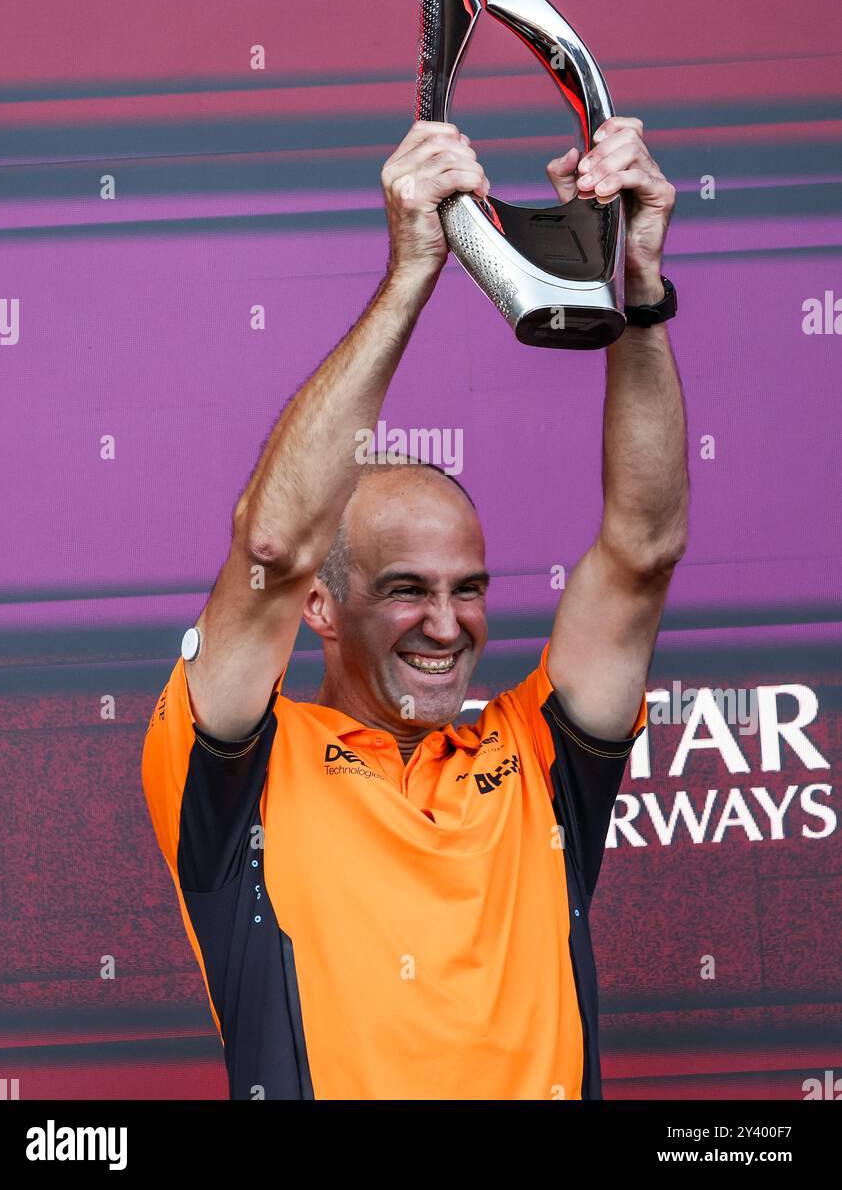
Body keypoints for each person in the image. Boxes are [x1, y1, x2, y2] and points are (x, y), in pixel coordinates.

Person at [142, 117, 688, 1100]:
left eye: (466, 589)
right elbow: (269, 546)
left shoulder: (535, 760)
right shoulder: (235, 768)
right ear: (321, 602)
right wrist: (410, 277)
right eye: (405, 590)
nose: (447, 624)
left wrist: (637, 287)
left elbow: (641, 551)